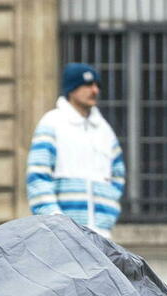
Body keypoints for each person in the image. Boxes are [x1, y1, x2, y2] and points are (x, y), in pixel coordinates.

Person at [25, 63, 126, 238]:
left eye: (96, 85)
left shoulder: (104, 130)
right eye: (87, 85)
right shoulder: (52, 123)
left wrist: (108, 215)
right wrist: (55, 220)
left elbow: (118, 175)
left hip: (101, 235)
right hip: (61, 237)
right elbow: (37, 177)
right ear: (71, 89)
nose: (94, 90)